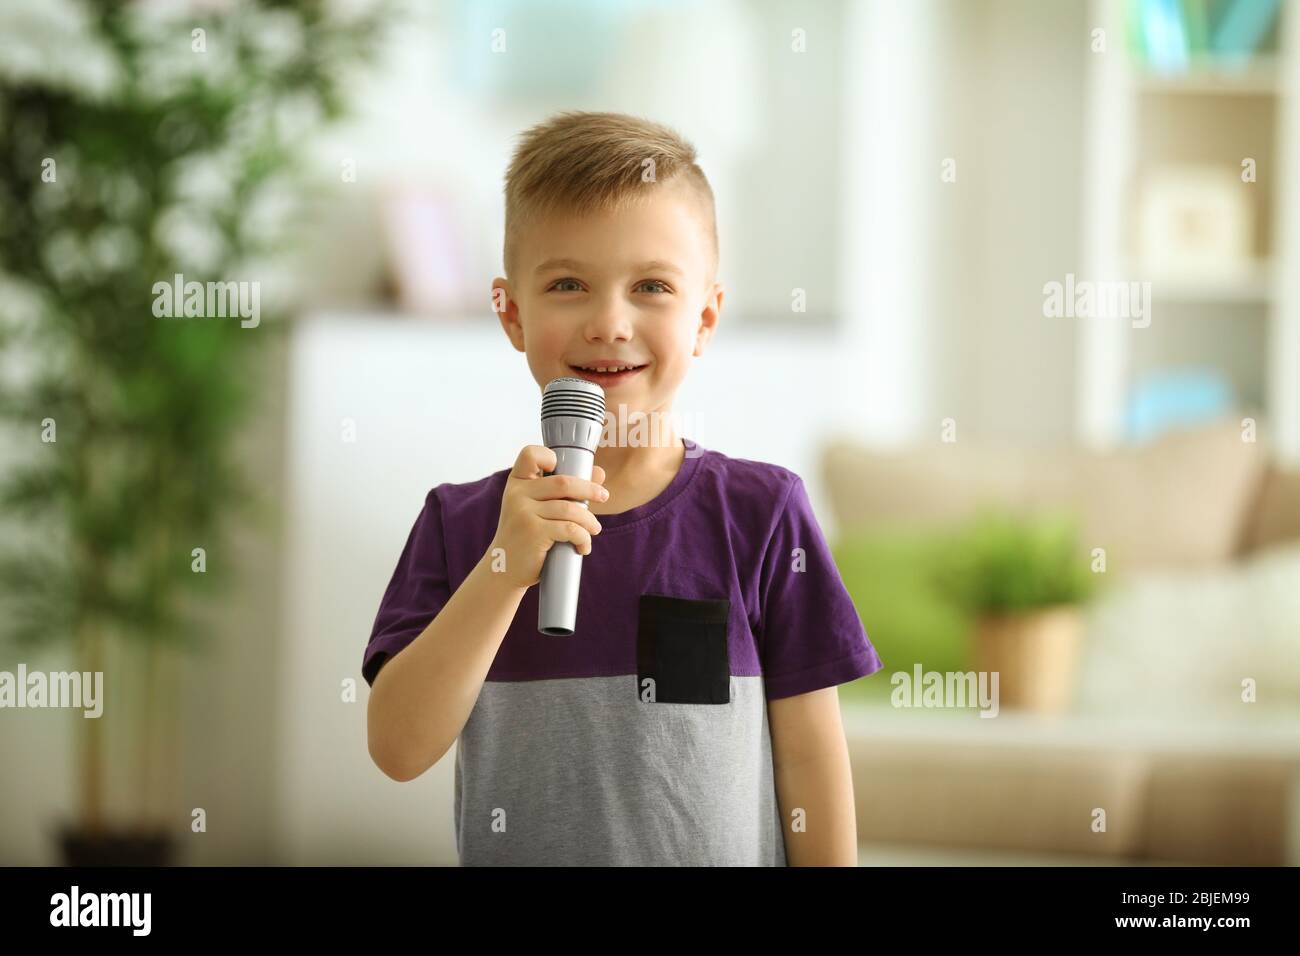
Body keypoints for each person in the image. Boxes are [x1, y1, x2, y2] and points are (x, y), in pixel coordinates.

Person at [363, 110, 882, 865]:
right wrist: (506, 568)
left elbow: (811, 760)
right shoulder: (460, 524)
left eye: (651, 286)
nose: (610, 322)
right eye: (569, 283)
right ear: (511, 313)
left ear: (704, 317)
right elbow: (398, 747)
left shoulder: (762, 514)